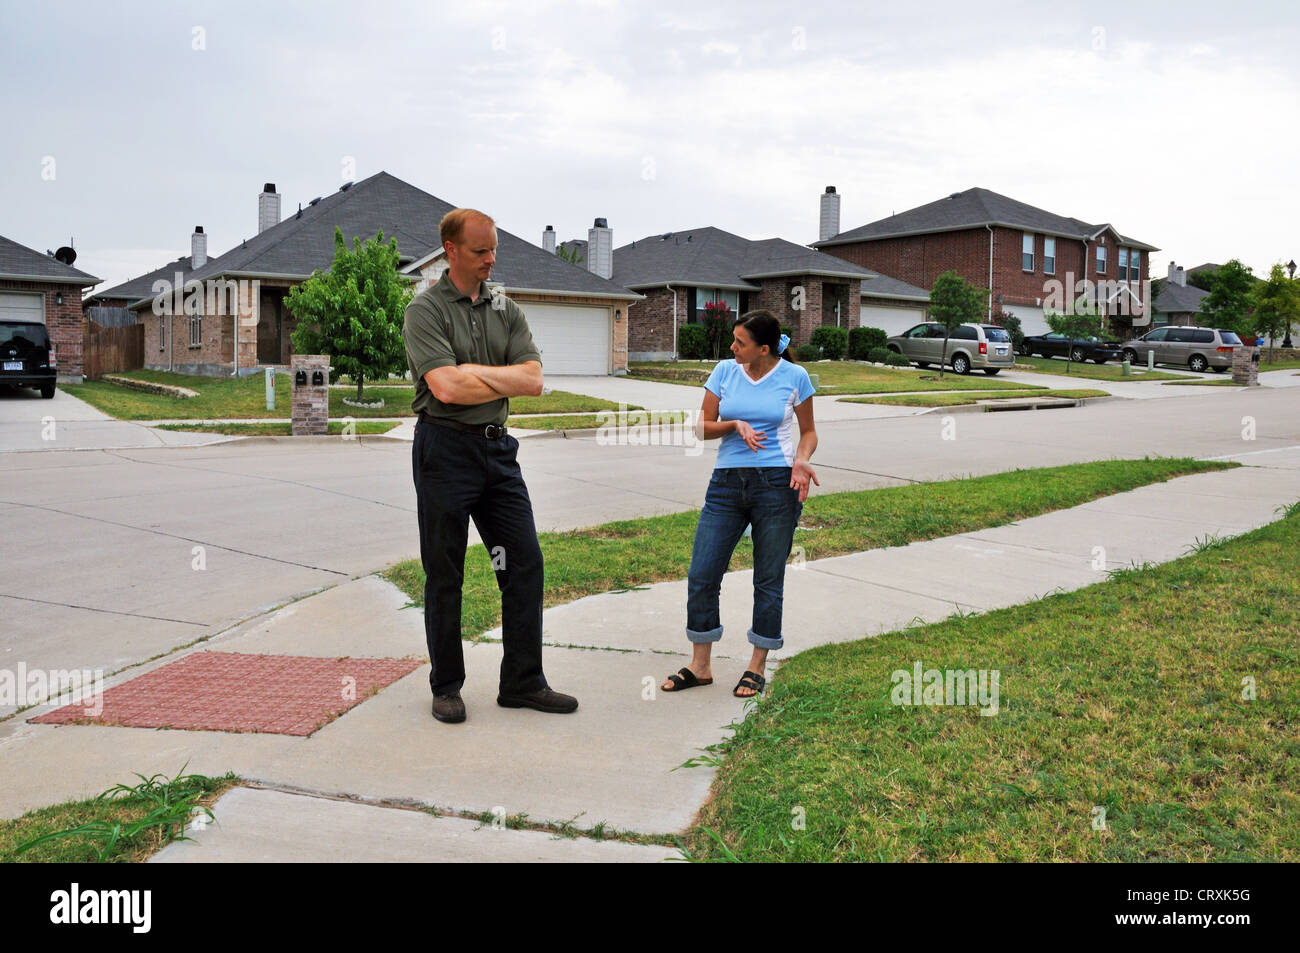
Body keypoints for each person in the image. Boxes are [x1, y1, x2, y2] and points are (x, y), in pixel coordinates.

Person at [403, 208, 578, 723]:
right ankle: (447, 686)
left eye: (494, 249)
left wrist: (473, 372)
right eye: (480, 251)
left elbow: (534, 380)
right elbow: (445, 388)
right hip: (444, 451)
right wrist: (493, 376)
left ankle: (523, 682)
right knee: (445, 571)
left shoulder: (505, 308)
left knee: (523, 563)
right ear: (451, 251)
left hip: (499, 452)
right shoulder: (426, 309)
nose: (490, 260)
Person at [661, 310, 819, 699]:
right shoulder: (725, 371)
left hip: (776, 486)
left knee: (767, 579)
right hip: (726, 486)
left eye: (740, 342)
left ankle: (756, 665)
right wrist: (734, 425)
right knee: (702, 573)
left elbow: (809, 433)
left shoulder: (794, 378)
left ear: (763, 349)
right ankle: (700, 666)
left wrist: (802, 459)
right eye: (733, 340)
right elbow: (700, 427)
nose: (732, 347)